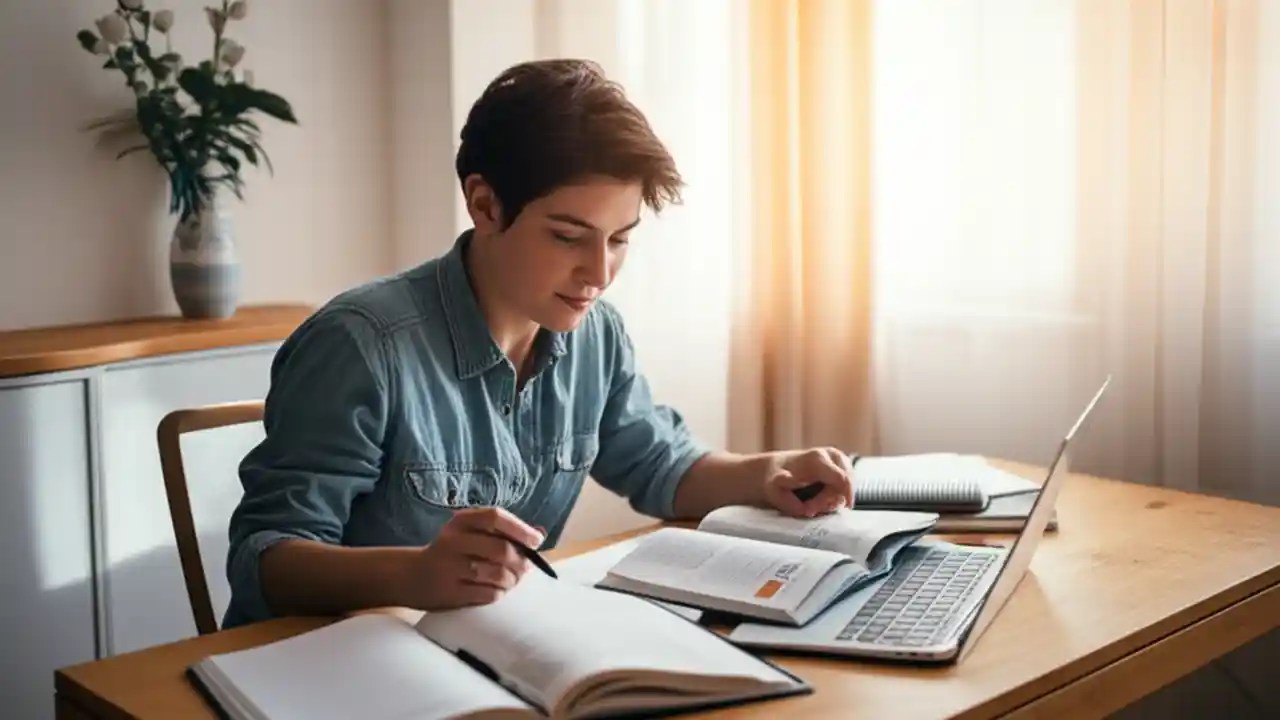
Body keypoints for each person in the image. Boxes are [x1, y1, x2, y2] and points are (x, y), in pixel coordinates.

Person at [223, 59, 855, 629]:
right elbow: (268, 560)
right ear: (484, 204)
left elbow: (659, 466)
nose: (599, 273)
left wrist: (768, 471)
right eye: (567, 236)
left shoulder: (594, 335)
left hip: (487, 649)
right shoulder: (361, 344)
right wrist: (414, 574)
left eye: (620, 239)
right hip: (331, 665)